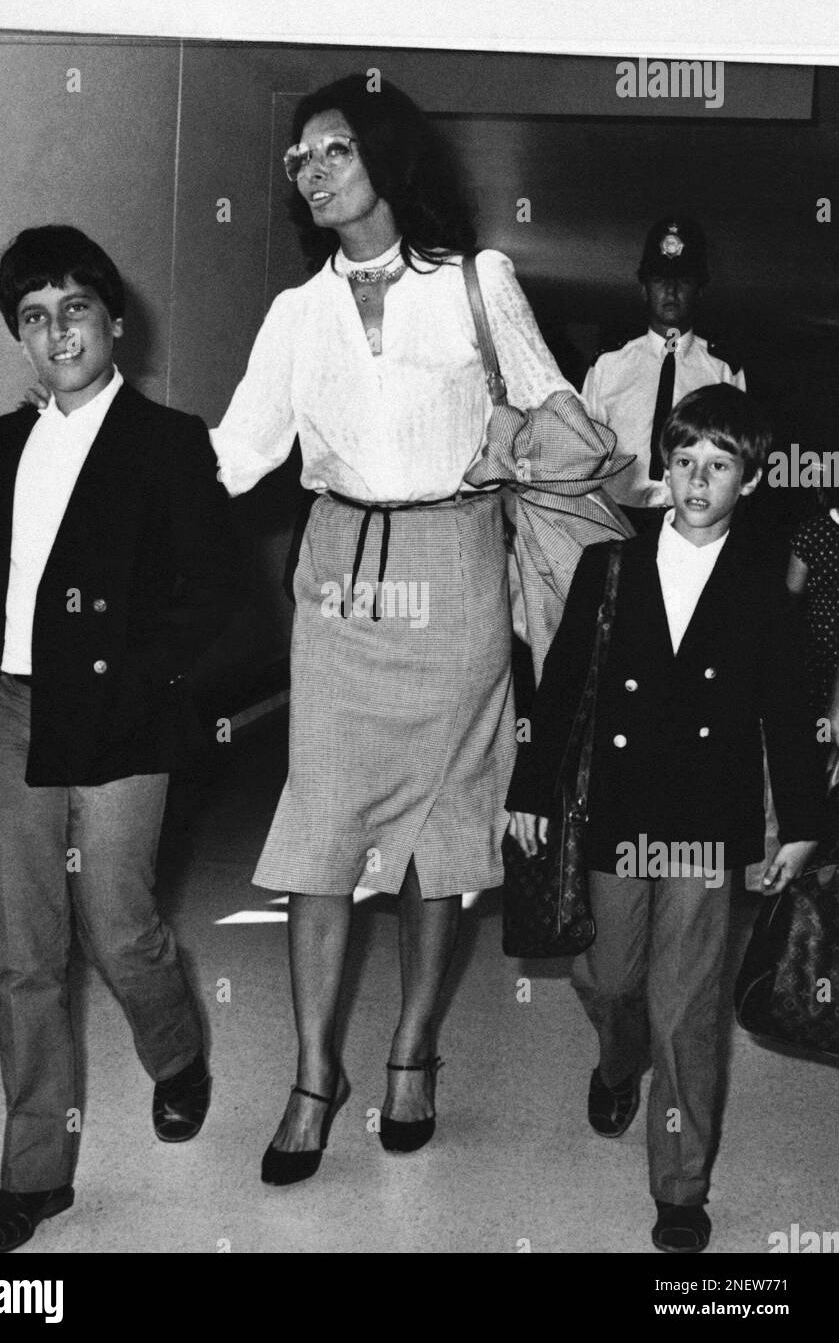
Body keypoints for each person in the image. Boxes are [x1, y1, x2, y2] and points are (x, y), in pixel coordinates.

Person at [211, 74, 619, 1185]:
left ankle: (409, 1054)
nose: (311, 169)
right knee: (322, 837)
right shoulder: (297, 314)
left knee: (443, 837)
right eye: (298, 159)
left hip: (455, 563)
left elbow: (555, 413)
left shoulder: (477, 283)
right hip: (339, 570)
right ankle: (311, 1075)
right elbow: (233, 457)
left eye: (331, 148)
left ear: (386, 157)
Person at [0, 225, 239, 1252]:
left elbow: (215, 595)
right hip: (11, 710)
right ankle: (35, 1174)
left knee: (120, 925)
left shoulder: (169, 441)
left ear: (115, 323)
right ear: (22, 336)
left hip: (120, 716)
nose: (57, 331)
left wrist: (141, 679)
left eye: (75, 310)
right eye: (35, 317)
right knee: (22, 953)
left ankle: (178, 1054)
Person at [507, 384, 824, 1253]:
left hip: (702, 823)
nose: (696, 479)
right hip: (615, 809)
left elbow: (787, 710)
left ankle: (680, 1185)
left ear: (749, 482)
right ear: (663, 464)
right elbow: (563, 684)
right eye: (682, 459)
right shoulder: (609, 564)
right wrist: (531, 791)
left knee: (684, 1005)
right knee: (612, 979)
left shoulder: (765, 586)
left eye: (718, 466)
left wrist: (799, 819)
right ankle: (616, 1059)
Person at [582, 216, 746, 529]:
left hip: (691, 519)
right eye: (659, 280)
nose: (670, 290)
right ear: (644, 289)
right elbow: (584, 452)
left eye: (683, 281)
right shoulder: (609, 364)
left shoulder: (723, 369)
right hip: (616, 516)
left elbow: (736, 456)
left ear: (699, 290)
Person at [787, 483, 839, 735]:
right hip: (820, 645)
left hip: (820, 640)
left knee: (819, 721)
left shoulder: (812, 531)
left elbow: (792, 591)